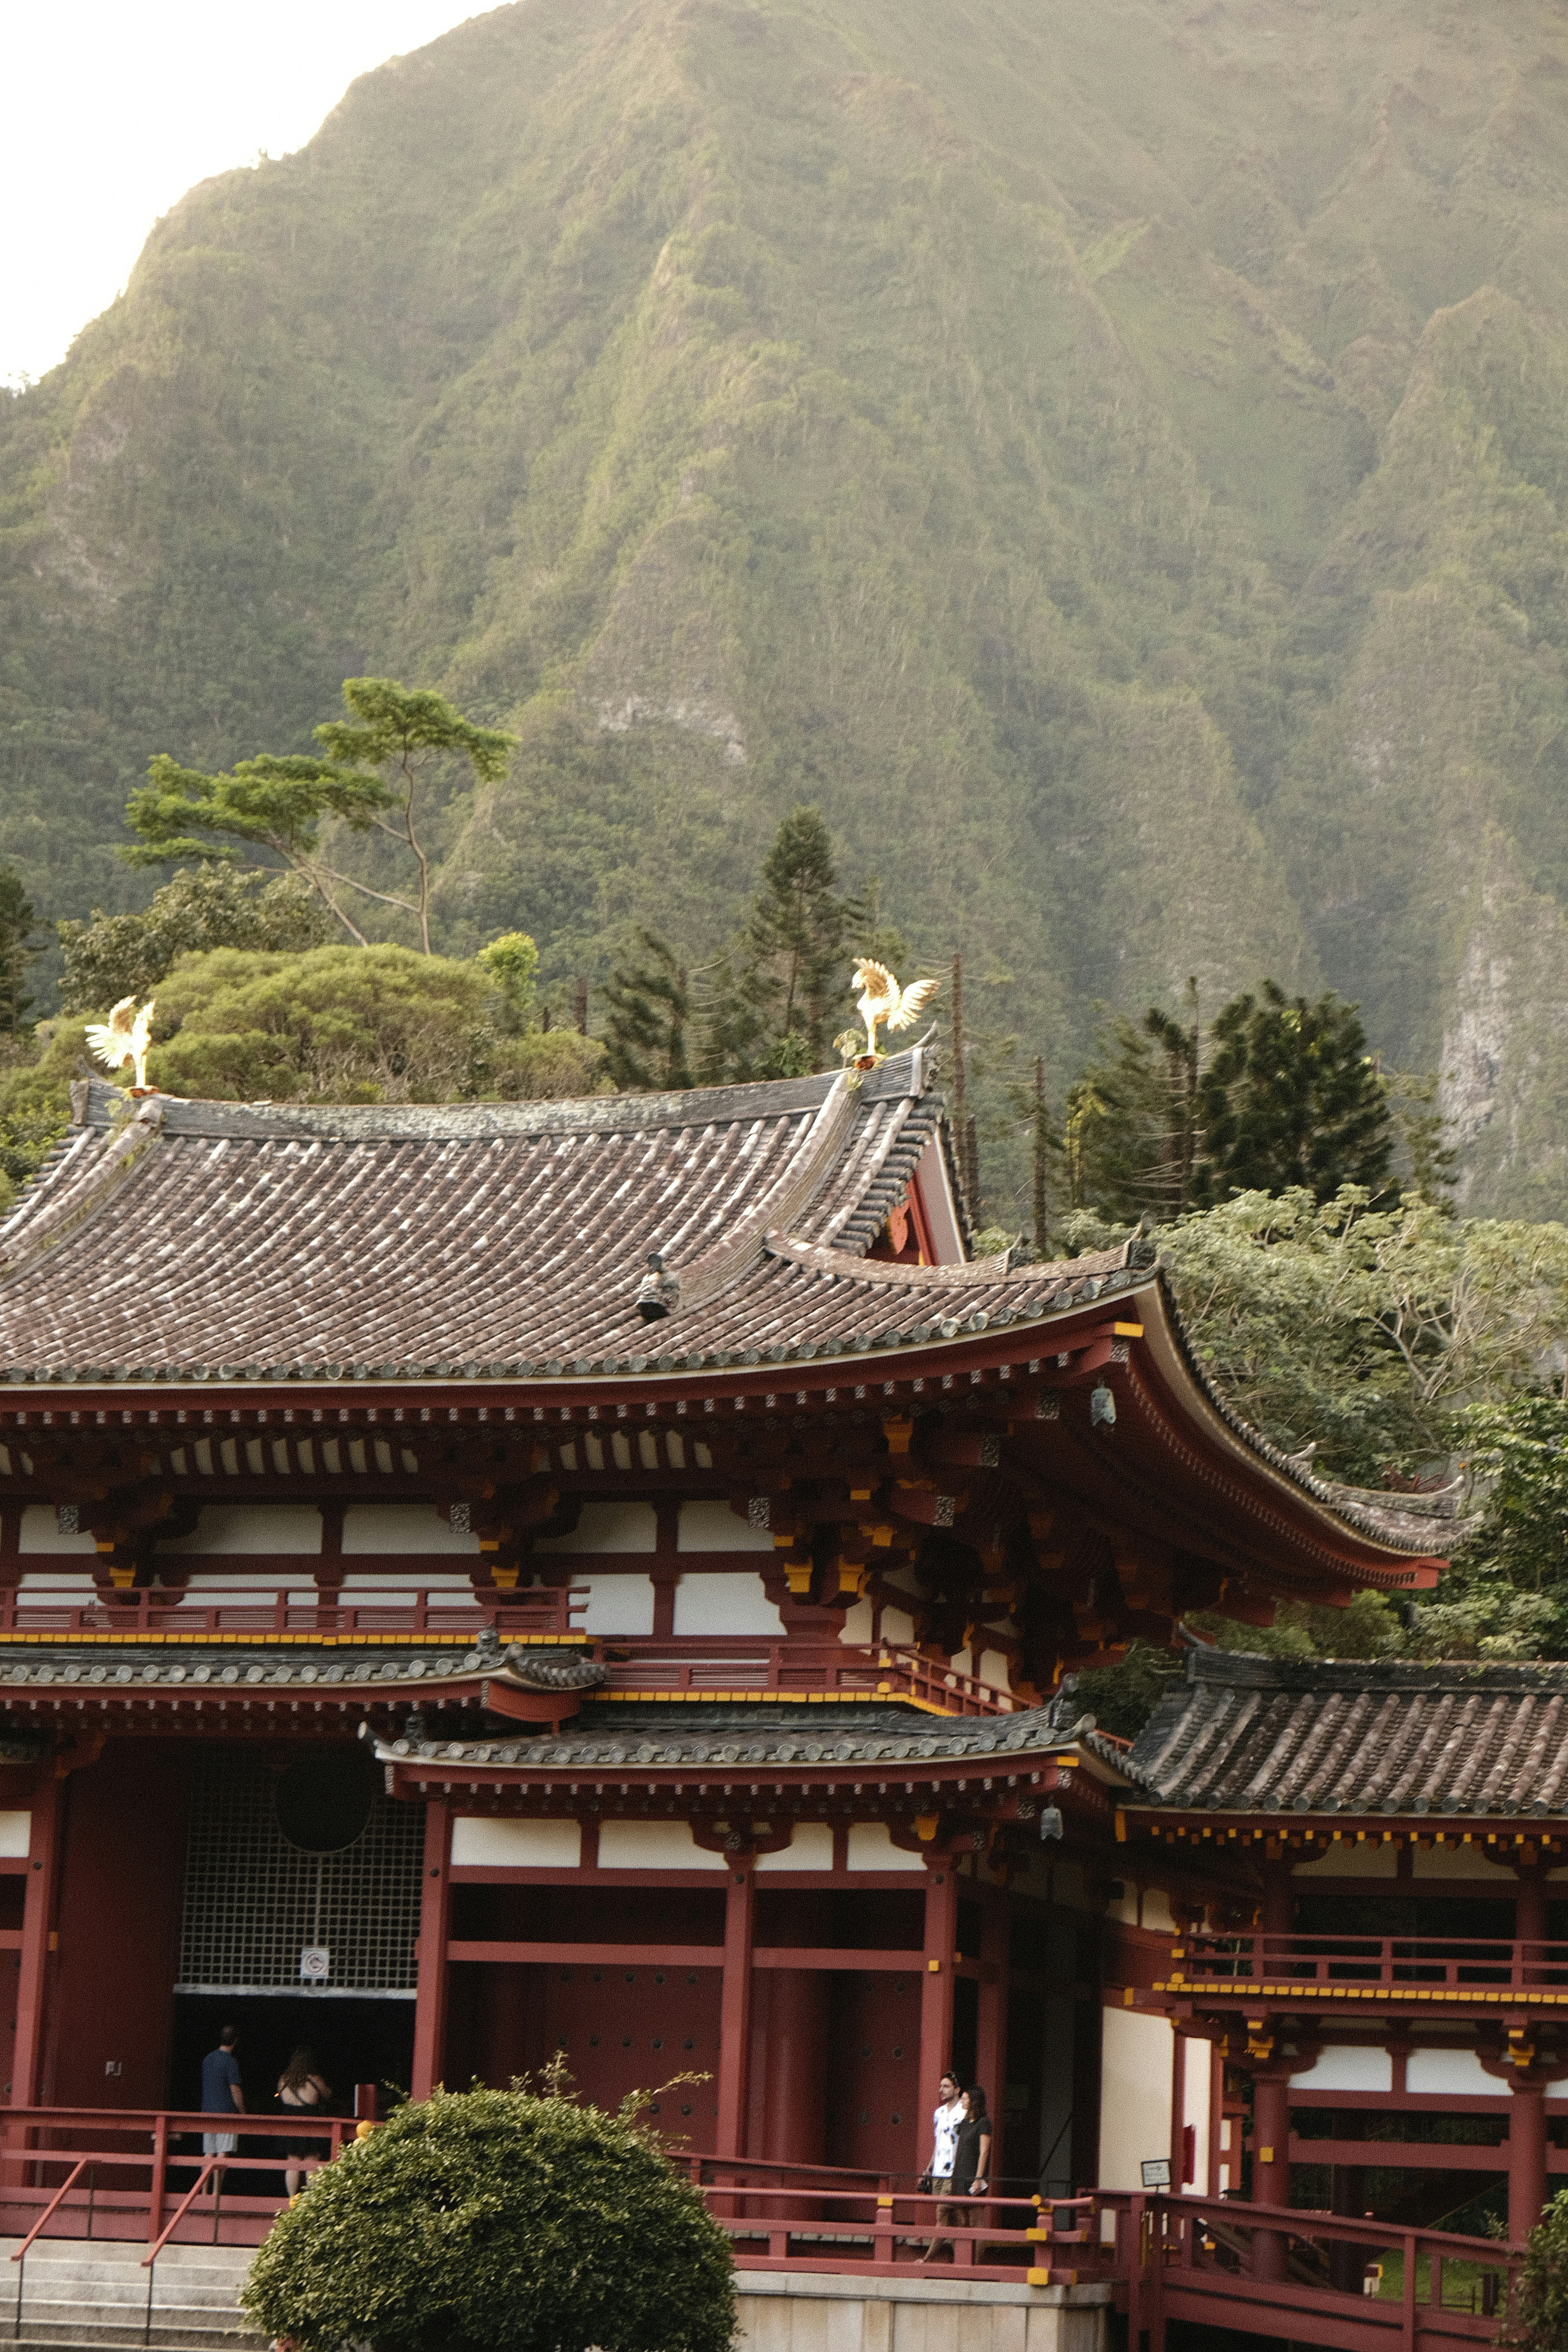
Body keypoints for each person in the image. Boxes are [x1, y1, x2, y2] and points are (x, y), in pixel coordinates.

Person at [924, 2086, 992, 2262]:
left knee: (976, 2222)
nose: (962, 2101)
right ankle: (963, 2261)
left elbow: (984, 2152)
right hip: (959, 2175)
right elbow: (957, 2149)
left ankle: (976, 2264)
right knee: (962, 2220)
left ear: (973, 2102)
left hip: (973, 2176)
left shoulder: (983, 2123)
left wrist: (978, 2178)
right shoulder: (963, 2124)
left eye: (965, 2099)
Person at [276, 2046, 332, 2198]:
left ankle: (292, 2199)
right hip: (311, 2121)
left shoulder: (284, 2080)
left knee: (293, 2161)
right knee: (312, 2161)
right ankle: (312, 2199)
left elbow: (280, 2097)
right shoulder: (314, 2079)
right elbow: (327, 2095)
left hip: (290, 2121)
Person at [200, 2024, 244, 2193]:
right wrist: (242, 2112)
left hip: (207, 2112)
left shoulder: (208, 2059)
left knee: (209, 2153)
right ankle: (216, 2193)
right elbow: (235, 2090)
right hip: (227, 2113)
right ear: (235, 2042)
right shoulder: (231, 2062)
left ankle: (204, 2191)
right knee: (222, 2153)